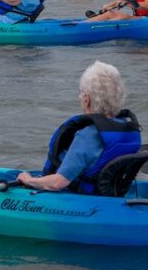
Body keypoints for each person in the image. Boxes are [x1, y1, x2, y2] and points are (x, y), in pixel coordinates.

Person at [16, 61, 141, 193]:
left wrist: (28, 180)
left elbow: (58, 183)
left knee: (22, 177)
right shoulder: (127, 127)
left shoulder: (87, 136)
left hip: (84, 198)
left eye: (81, 93)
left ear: (87, 99)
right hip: (113, 192)